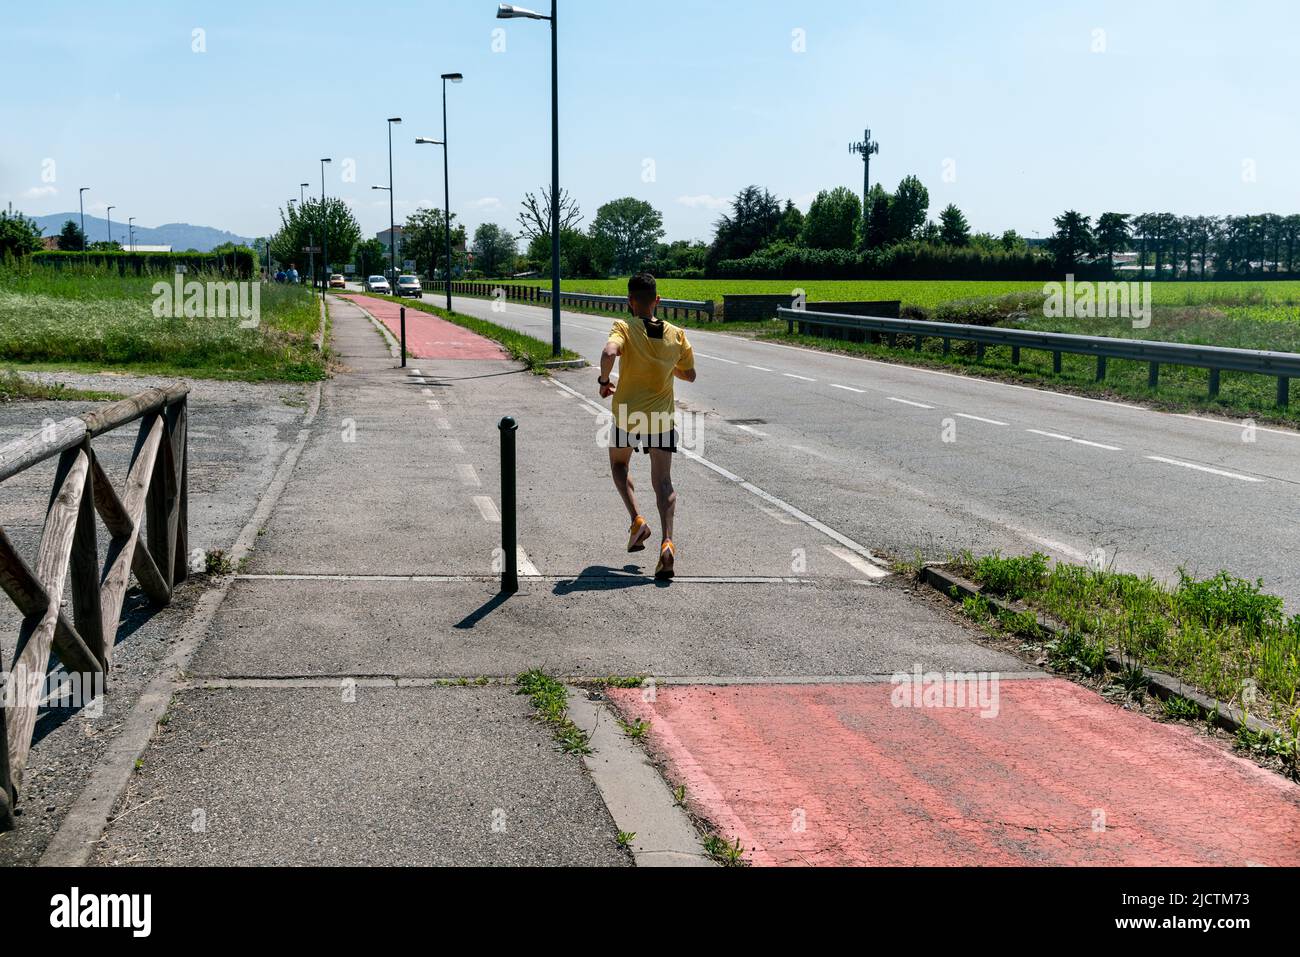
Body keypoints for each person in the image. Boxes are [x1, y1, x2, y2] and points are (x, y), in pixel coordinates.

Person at [598, 273, 696, 580]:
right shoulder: (677, 334)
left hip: (628, 413)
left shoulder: (624, 327)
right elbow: (690, 374)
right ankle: (667, 542)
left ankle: (637, 520)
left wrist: (604, 381)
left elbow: (608, 352)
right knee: (664, 482)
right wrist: (667, 366)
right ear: (657, 300)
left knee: (618, 465)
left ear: (630, 301)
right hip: (661, 417)